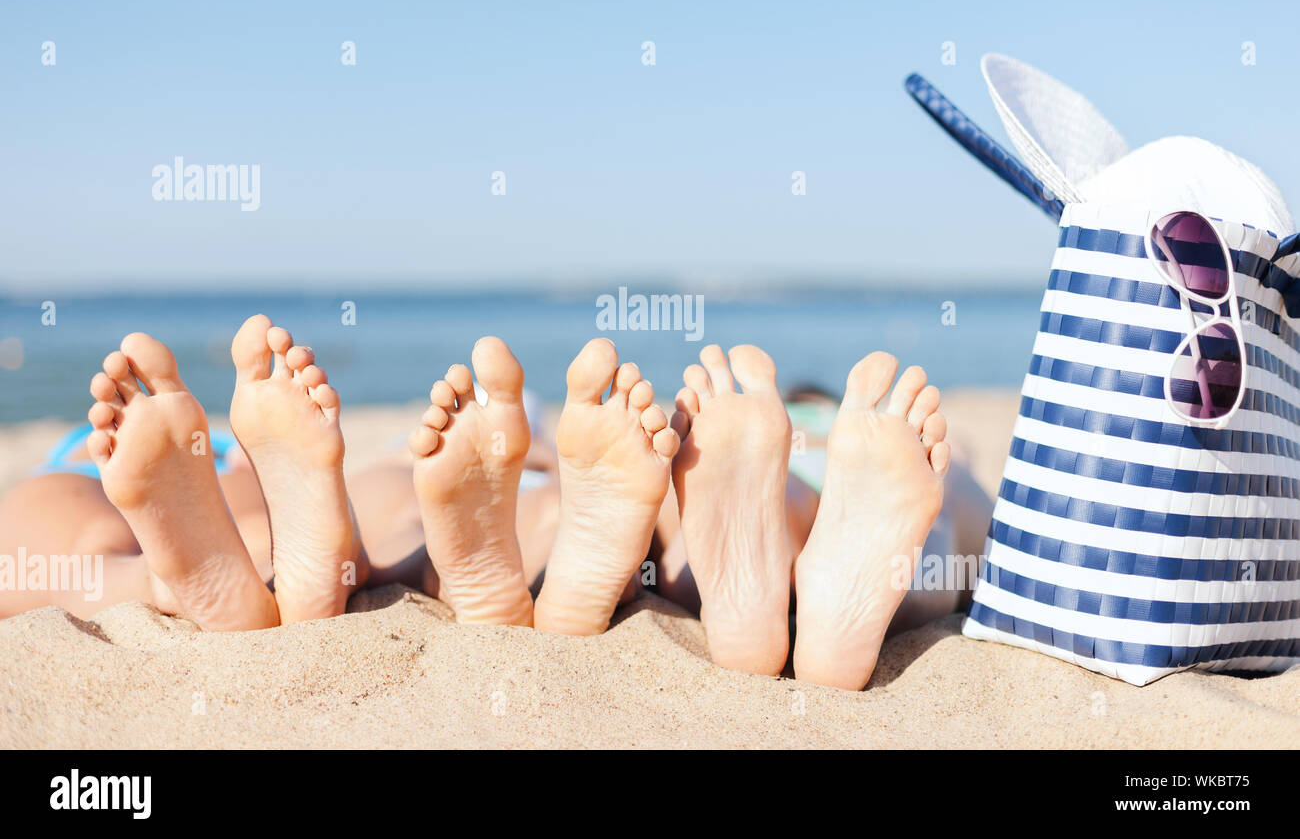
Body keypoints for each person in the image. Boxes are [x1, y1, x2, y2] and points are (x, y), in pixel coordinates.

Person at [0, 314, 985, 690]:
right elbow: (979, 502)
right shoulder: (813, 419)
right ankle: (799, 574)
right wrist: (953, 491)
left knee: (58, 516)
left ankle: (245, 564)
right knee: (920, 517)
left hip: (337, 485)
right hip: (630, 505)